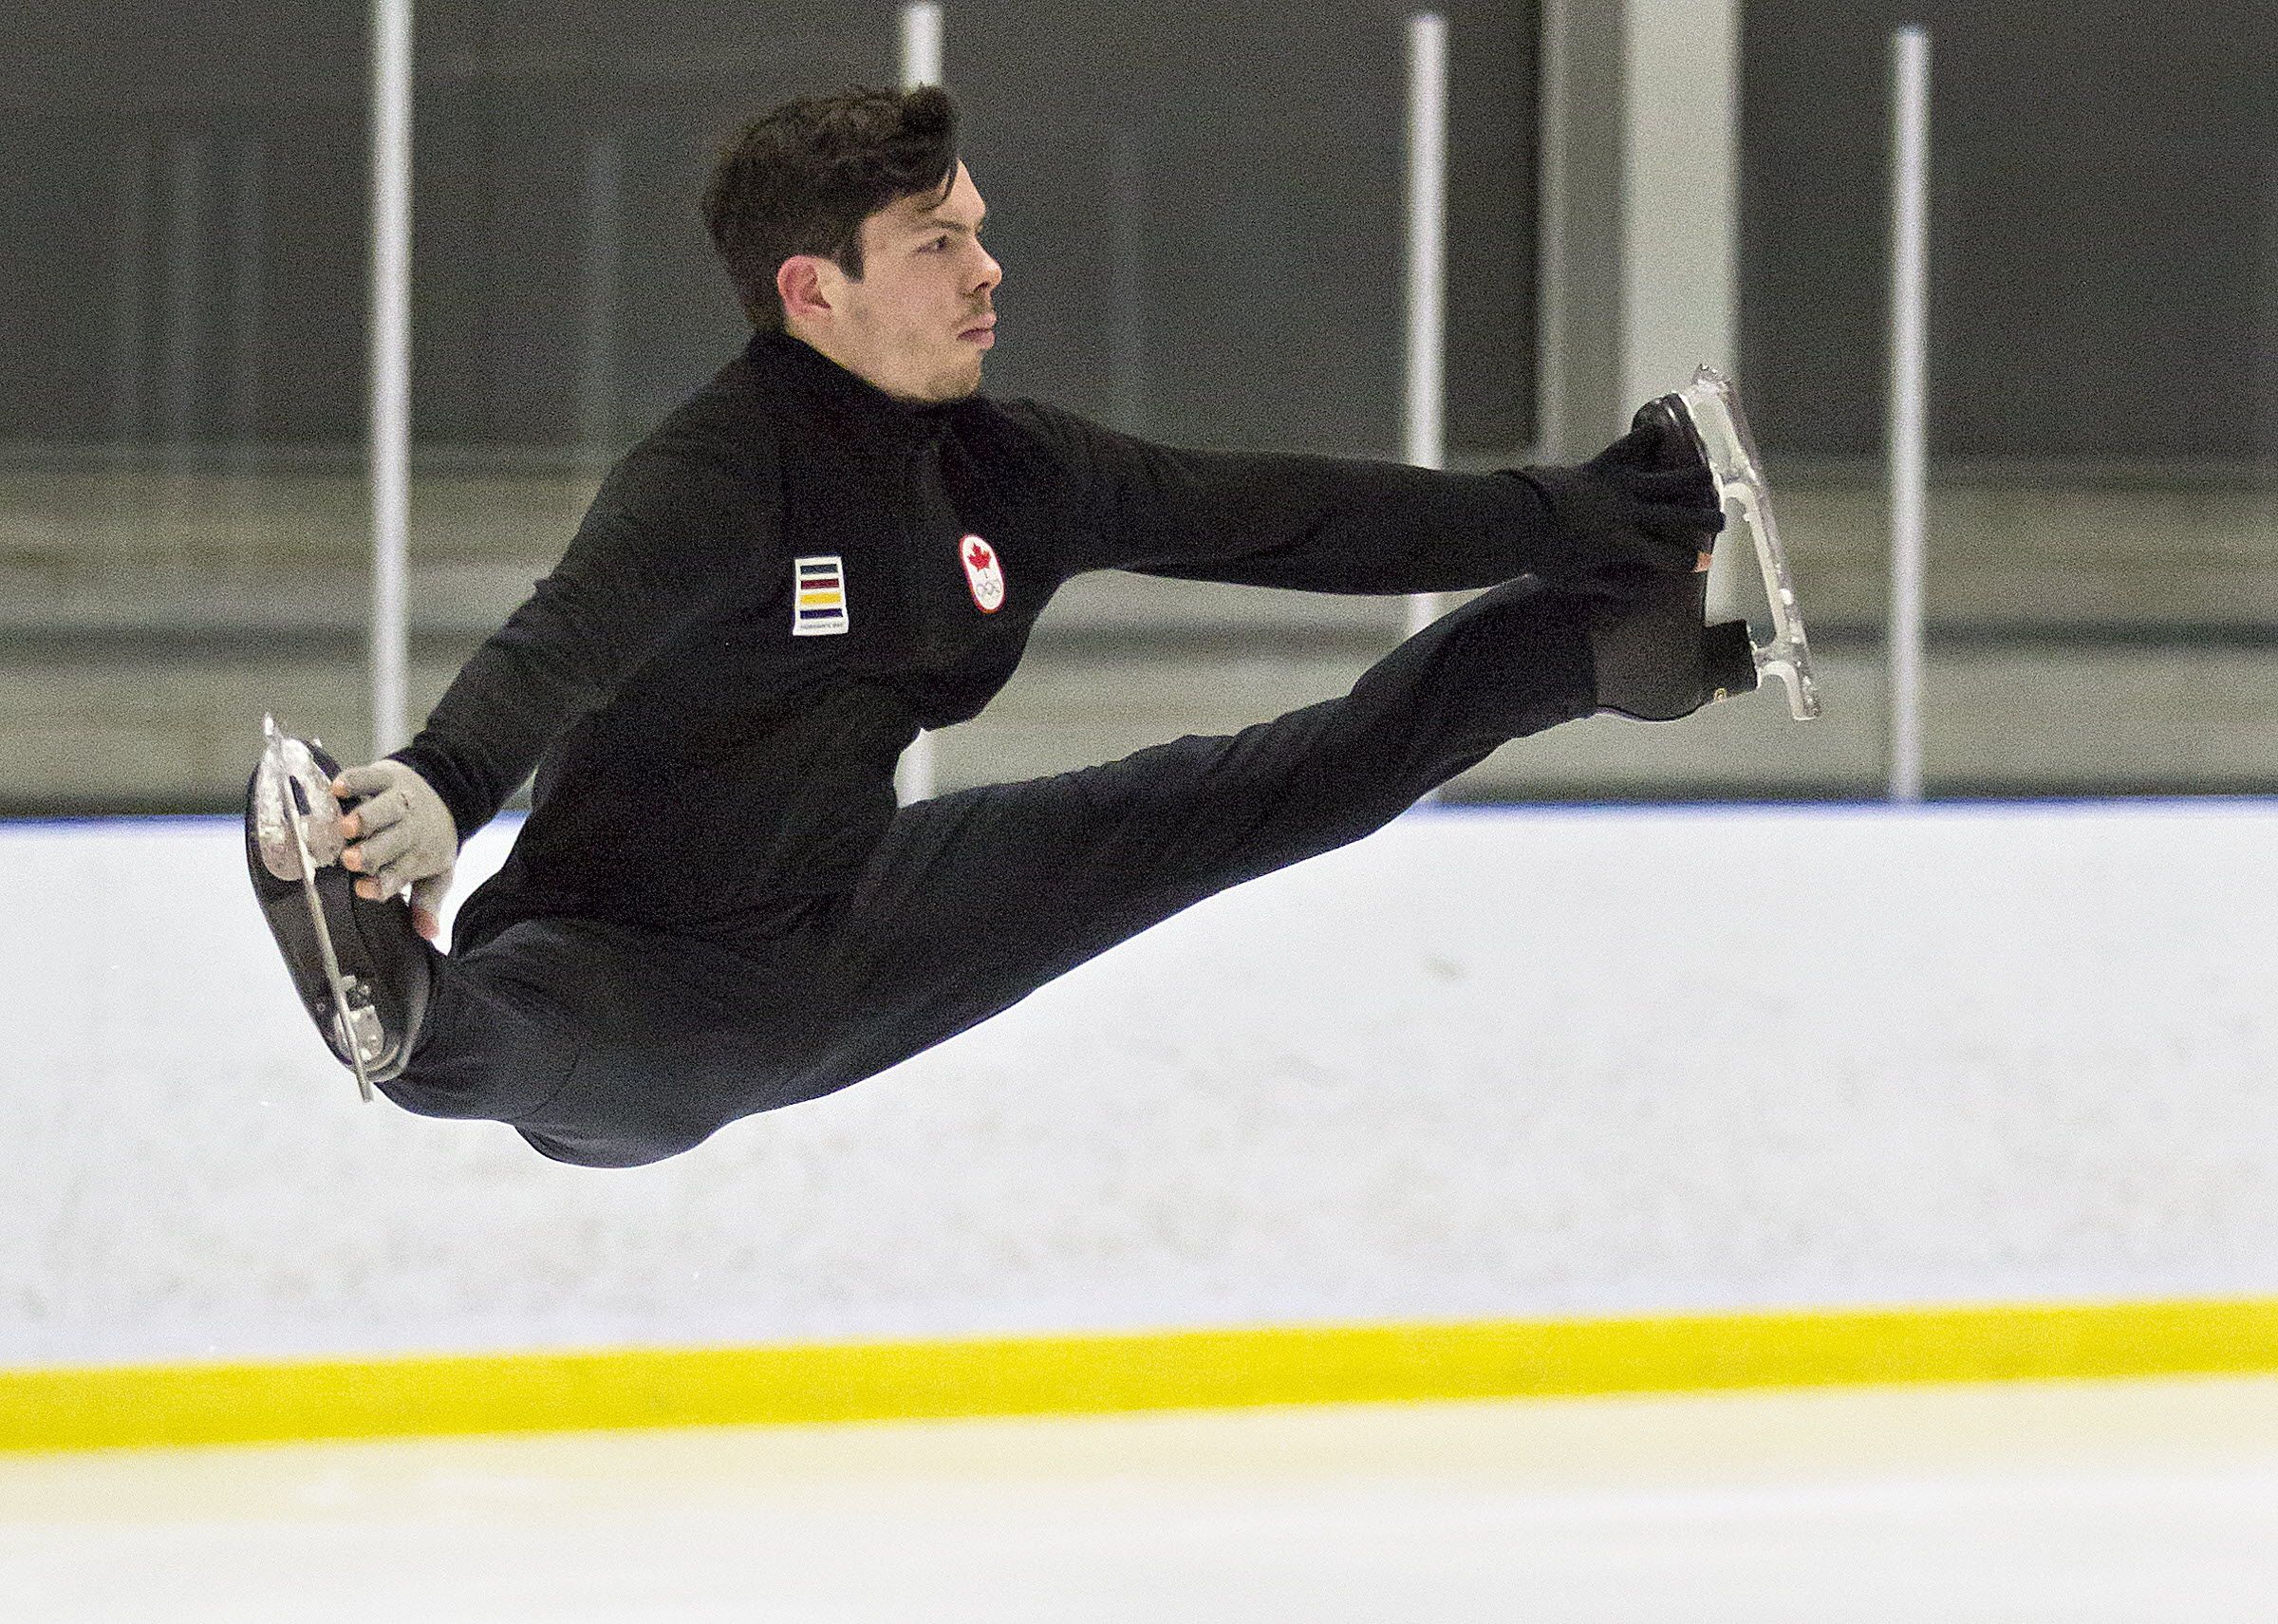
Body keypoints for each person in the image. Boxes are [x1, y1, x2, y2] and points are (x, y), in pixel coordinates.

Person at [252, 83, 1755, 1168]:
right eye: (934, 243)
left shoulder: (1011, 470)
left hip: (857, 916)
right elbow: (565, 638)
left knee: (1260, 791)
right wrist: (446, 782)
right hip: (633, 958)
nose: (987, 270)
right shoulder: (721, 474)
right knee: (556, 1049)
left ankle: (1589, 646)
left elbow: (1288, 516)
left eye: (975, 229)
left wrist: (1583, 513)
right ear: (815, 288)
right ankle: (396, 1003)